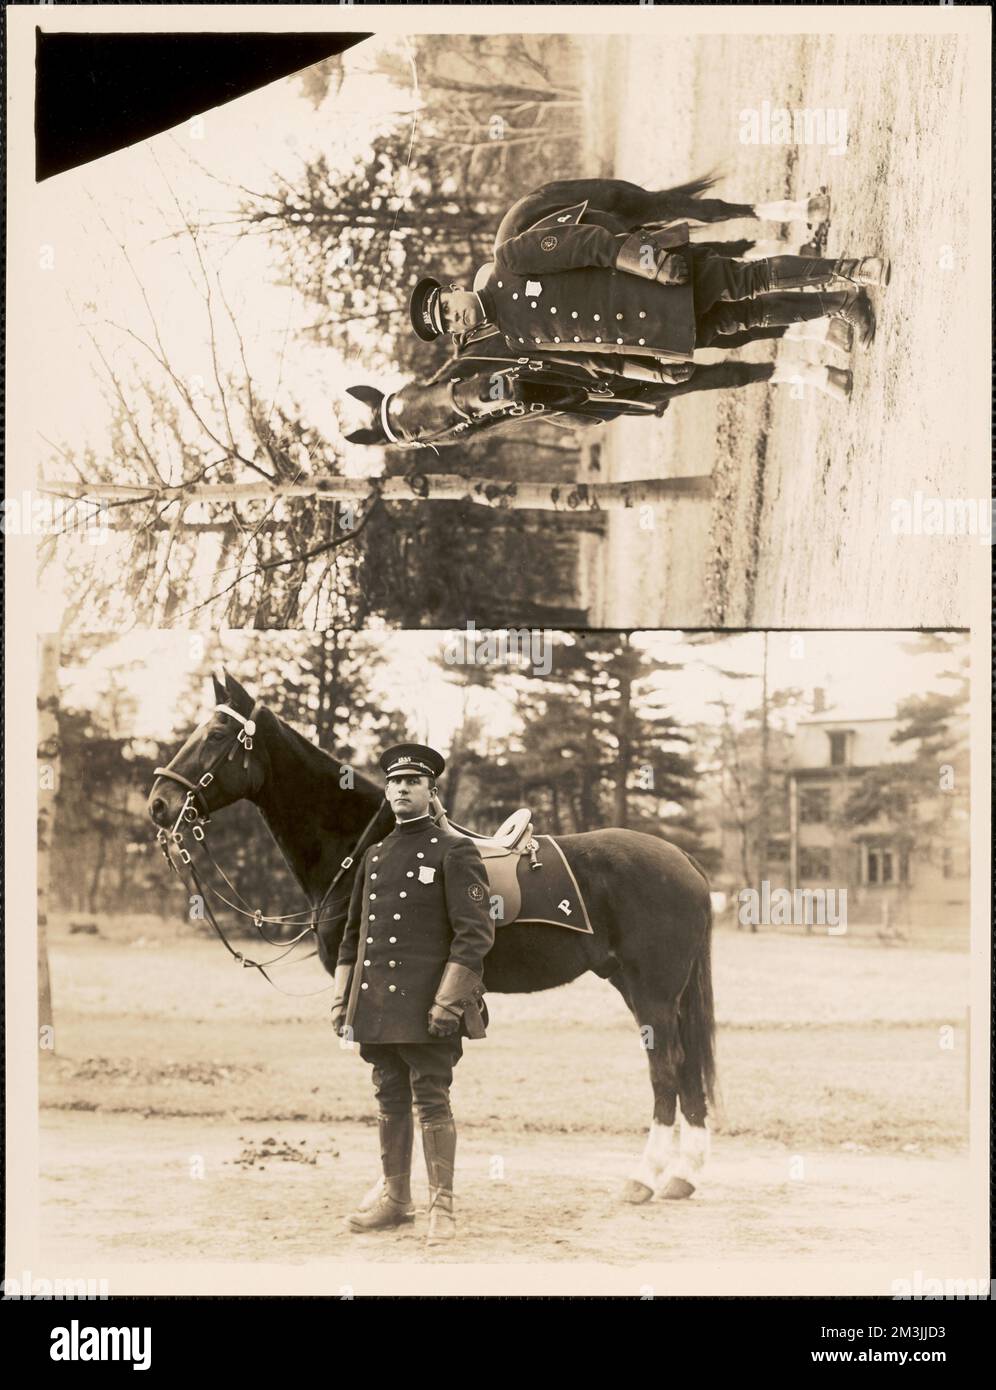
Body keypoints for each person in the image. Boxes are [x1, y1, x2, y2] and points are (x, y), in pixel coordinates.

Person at [408, 199, 888, 372]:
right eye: (450, 323)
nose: (457, 315)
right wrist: (649, 370)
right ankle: (841, 304)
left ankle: (852, 269)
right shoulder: (515, 337)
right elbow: (590, 353)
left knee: (750, 278)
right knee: (752, 317)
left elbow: (586, 243)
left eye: (448, 306)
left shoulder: (509, 260)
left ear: (452, 288)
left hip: (657, 282)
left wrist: (652, 264)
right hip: (657, 333)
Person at [330, 743, 494, 1244]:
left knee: (432, 1097)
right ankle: (396, 1199)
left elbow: (476, 933)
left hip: (428, 1007)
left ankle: (441, 1207)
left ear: (430, 792)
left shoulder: (454, 850)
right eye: (395, 782)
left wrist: (449, 1001)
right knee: (388, 1093)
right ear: (387, 790)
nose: (402, 789)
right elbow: (351, 937)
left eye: (413, 783)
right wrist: (342, 999)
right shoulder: (374, 856)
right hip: (378, 1007)